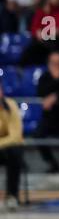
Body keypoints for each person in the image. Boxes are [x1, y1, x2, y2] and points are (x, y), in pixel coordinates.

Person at [0, 81, 22, 209]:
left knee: (15, 151)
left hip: (5, 150)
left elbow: (16, 136)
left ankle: (12, 196)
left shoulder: (11, 105)